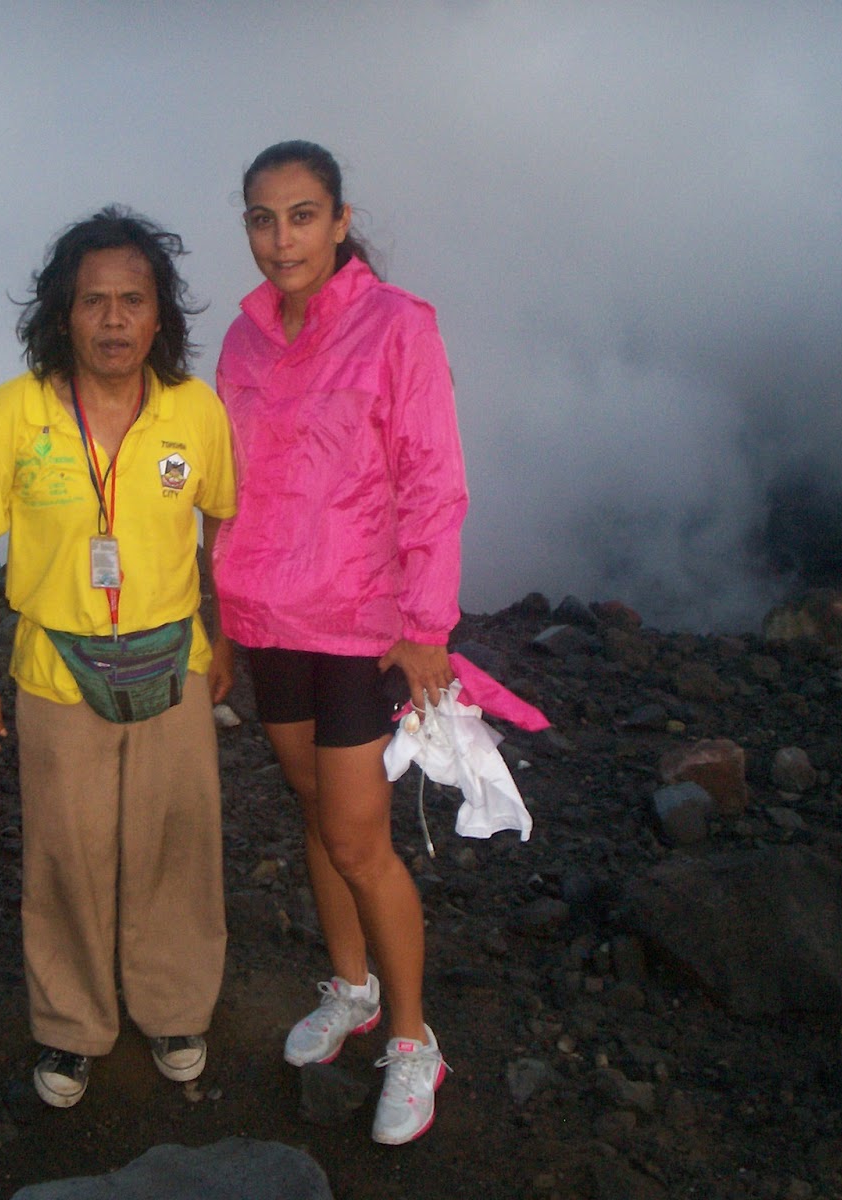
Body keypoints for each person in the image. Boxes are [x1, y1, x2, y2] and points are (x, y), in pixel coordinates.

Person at [0, 206, 236, 1110]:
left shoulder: (195, 412)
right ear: (62, 314)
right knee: (65, 855)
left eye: (133, 301)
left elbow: (222, 519)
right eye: (93, 301)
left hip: (172, 666)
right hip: (54, 671)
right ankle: (72, 1028)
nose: (113, 320)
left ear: (160, 316)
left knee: (176, 846)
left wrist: (219, 633)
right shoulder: (15, 411)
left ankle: (175, 1008)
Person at [212, 140, 469, 1145]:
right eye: (263, 219)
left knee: (360, 836)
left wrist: (427, 627)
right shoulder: (240, 342)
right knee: (319, 811)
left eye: (302, 215)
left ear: (341, 219)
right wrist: (216, 618)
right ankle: (352, 987)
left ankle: (413, 1039)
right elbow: (222, 490)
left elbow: (432, 477)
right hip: (268, 617)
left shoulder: (397, 327)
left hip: (363, 625)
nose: (282, 239)